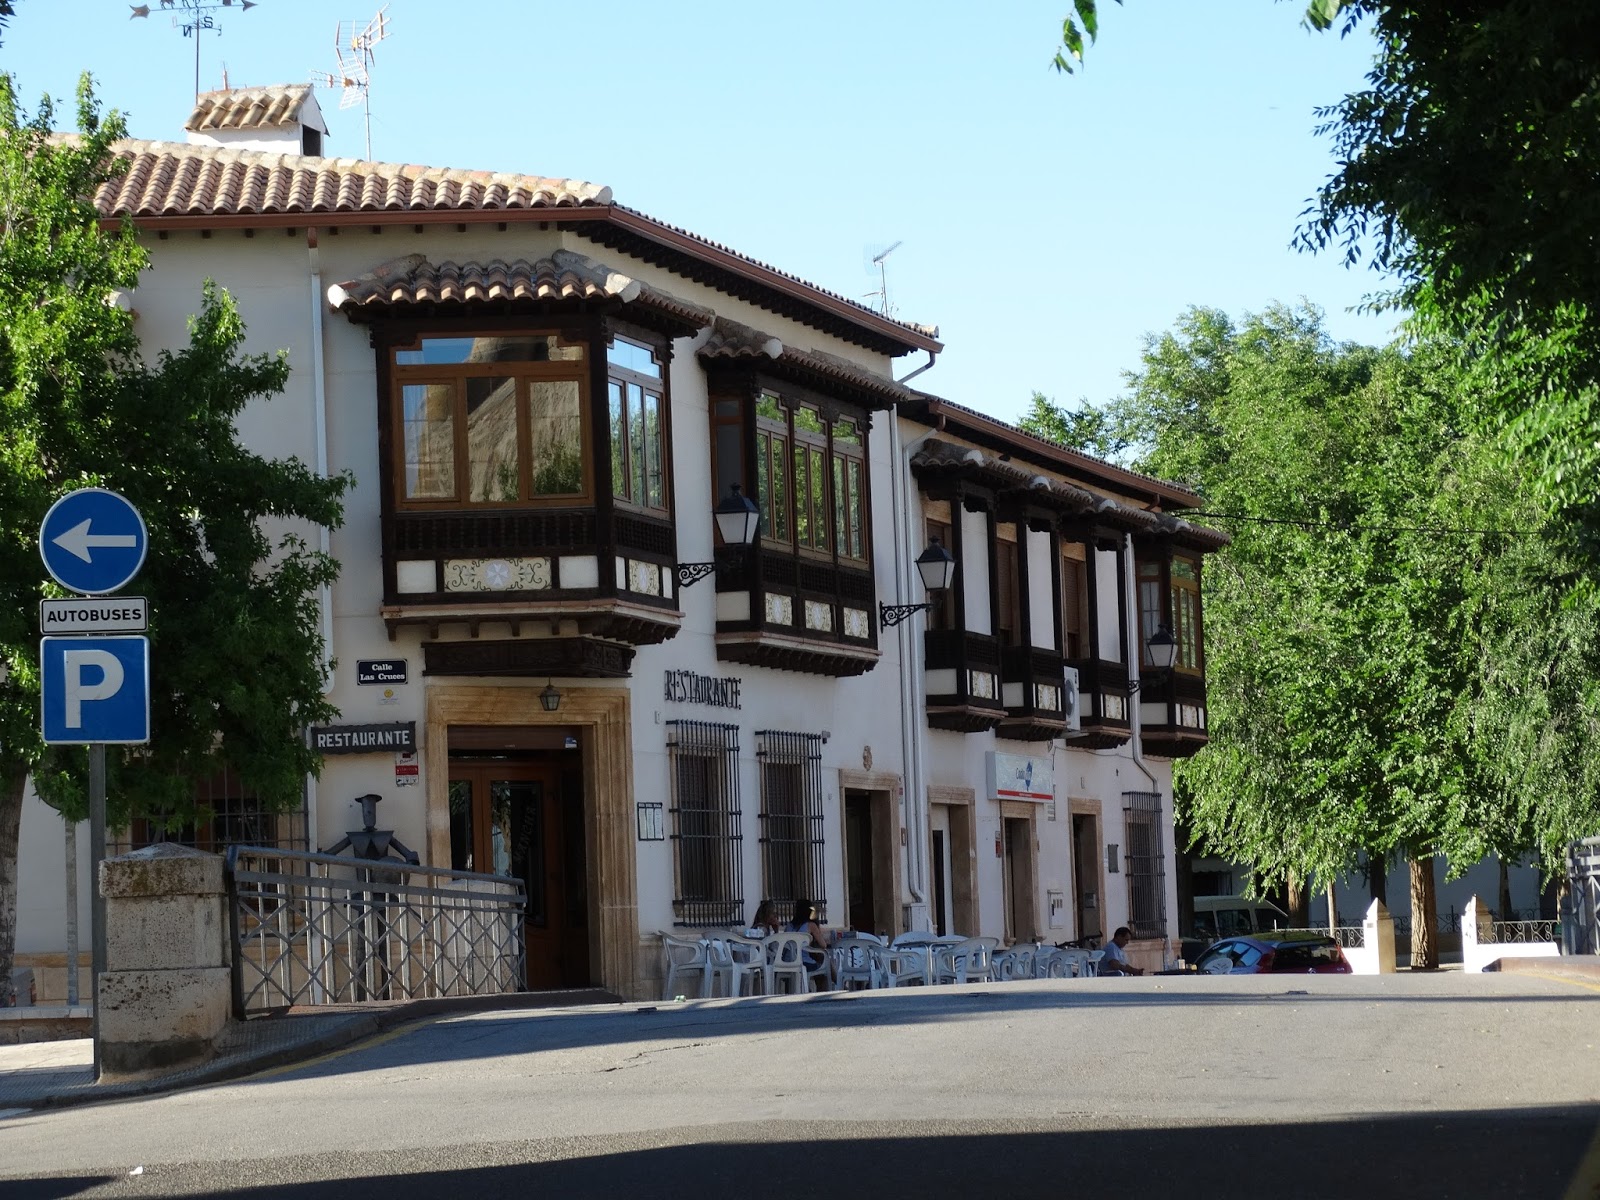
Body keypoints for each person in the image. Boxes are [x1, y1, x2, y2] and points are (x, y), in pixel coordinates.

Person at [785, 899, 827, 969]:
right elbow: (823, 945)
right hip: (803, 962)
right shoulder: (811, 925)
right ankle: (838, 979)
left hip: (786, 962)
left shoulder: (789, 925)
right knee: (826, 963)